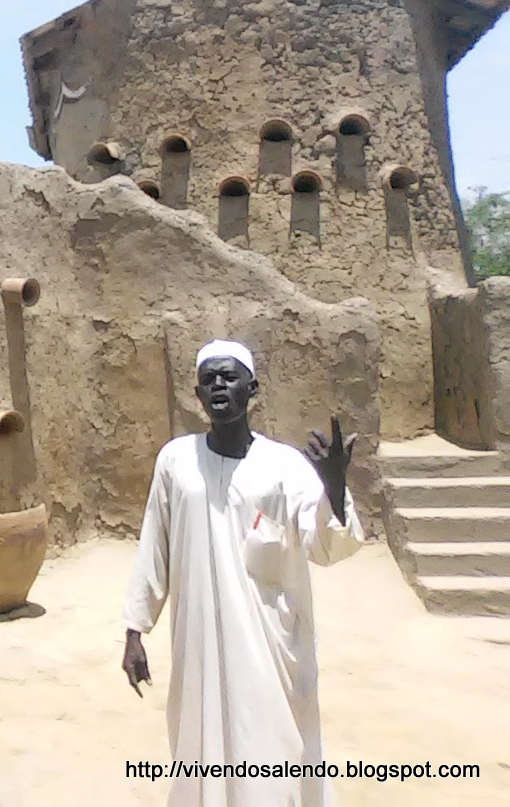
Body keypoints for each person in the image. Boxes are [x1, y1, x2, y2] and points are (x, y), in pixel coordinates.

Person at [121, 339, 363, 807]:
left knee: (274, 751)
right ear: (197, 392)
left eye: (229, 377)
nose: (219, 385)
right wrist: (136, 629)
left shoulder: (283, 465)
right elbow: (156, 544)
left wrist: (334, 484)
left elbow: (326, 545)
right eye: (209, 378)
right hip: (200, 643)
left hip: (268, 644)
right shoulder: (176, 460)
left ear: (253, 388)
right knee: (200, 745)